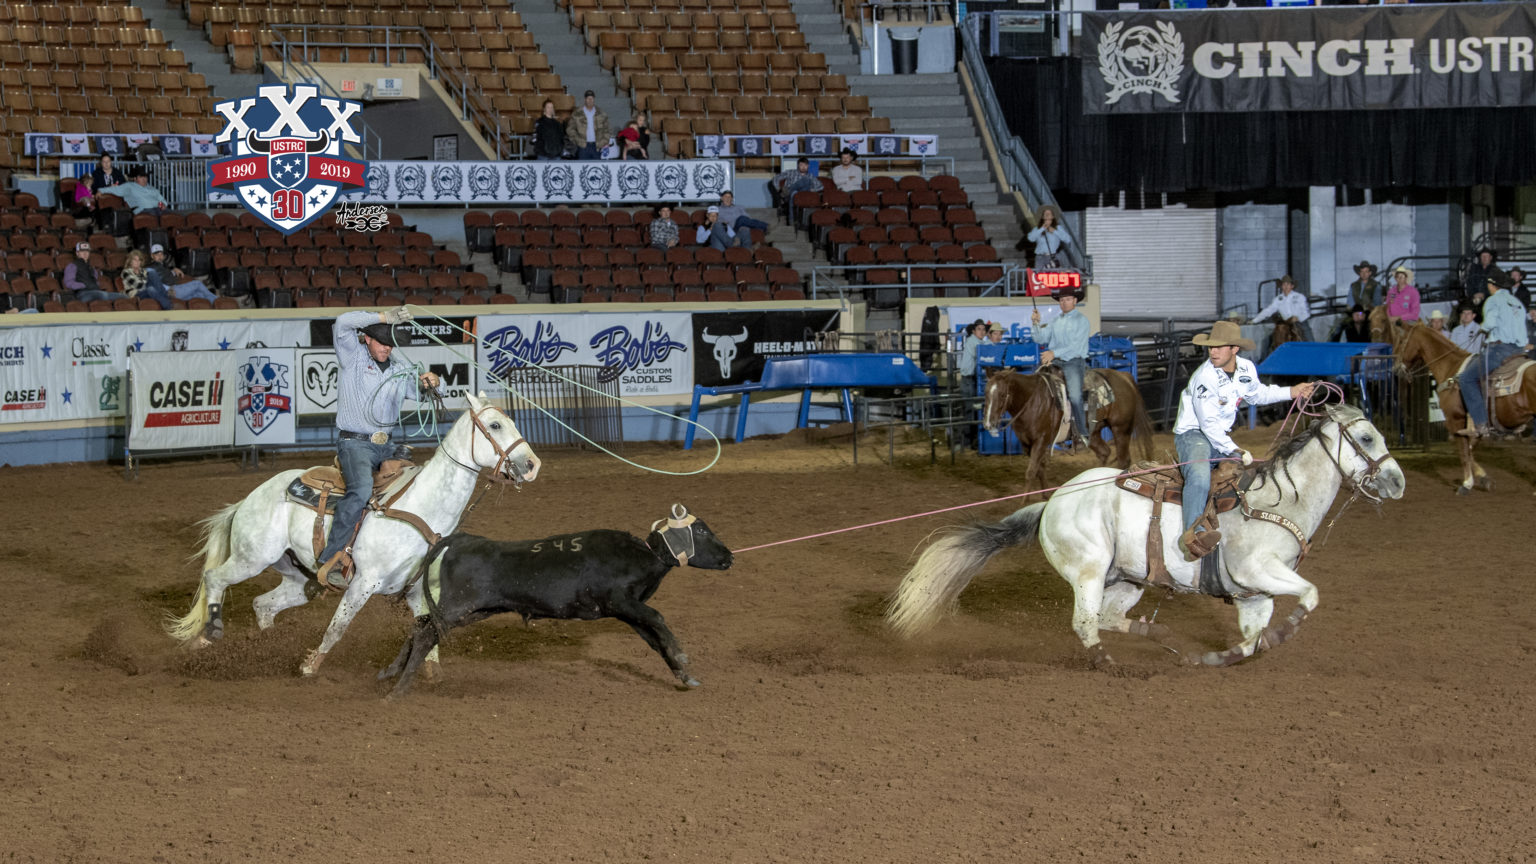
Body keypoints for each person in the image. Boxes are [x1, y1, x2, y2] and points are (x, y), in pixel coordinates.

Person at [316, 307, 443, 589]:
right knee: (360, 490)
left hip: (386, 446)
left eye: (390, 343)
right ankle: (332, 558)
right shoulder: (353, 357)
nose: (386, 347)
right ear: (368, 340)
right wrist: (385, 317)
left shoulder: (399, 370)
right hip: (354, 444)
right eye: (382, 341)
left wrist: (434, 383)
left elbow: (424, 392)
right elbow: (343, 321)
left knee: (416, 483)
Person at [1173, 320, 1316, 561]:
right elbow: (1208, 425)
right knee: (1198, 474)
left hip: (1220, 436)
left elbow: (1258, 394)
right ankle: (1193, 535)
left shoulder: (1246, 369)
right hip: (1193, 435)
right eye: (1211, 347)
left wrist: (1292, 391)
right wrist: (1234, 448)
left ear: (1234, 349)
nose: (1213, 352)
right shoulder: (1204, 377)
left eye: (1219, 347)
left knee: (1248, 482)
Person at [1456, 277, 1533, 438]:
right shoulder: (1517, 302)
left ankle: (1481, 424)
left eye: (1489, 285)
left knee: (1466, 379)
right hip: (1519, 351)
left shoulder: (1493, 300)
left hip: (1499, 350)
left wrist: (1482, 328)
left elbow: (1490, 323)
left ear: (1492, 286)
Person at [1032, 286, 1092, 449]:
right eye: (1061, 300)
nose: (1064, 303)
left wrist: (1053, 352)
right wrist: (1036, 323)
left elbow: (1075, 346)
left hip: (1073, 361)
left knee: (1074, 396)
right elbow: (1040, 338)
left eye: (1067, 299)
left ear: (1075, 301)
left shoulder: (1082, 321)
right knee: (1035, 386)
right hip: (1055, 361)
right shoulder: (1054, 321)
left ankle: (1082, 433)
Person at [147, 244, 218, 304]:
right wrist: (172, 272)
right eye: (157, 254)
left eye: (161, 254)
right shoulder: (153, 267)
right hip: (171, 291)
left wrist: (172, 269)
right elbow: (167, 279)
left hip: (172, 292)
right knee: (197, 283)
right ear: (152, 256)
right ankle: (217, 301)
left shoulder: (163, 265)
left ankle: (217, 308)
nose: (160, 256)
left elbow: (167, 273)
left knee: (199, 295)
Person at [1252, 274, 1312, 341]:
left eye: (1288, 284)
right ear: (1281, 286)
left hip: (1300, 323)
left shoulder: (1300, 297)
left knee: (1309, 339)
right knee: (1270, 340)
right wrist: (1254, 320)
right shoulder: (1278, 299)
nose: (1286, 287)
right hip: (1286, 324)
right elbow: (1268, 310)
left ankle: (1313, 348)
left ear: (1292, 286)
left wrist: (1298, 318)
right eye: (1284, 284)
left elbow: (1306, 312)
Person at [62, 242, 127, 303]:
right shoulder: (72, 266)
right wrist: (83, 285)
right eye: (82, 251)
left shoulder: (91, 268)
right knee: (101, 295)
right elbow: (68, 283)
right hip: (82, 294)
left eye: (87, 251)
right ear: (77, 253)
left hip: (95, 291)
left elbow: (95, 281)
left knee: (124, 297)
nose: (85, 253)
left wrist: (95, 285)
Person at [564, 90, 610, 160]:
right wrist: (578, 141)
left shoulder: (601, 114)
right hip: (583, 147)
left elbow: (607, 129)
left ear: (594, 99)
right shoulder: (577, 113)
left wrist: (603, 141)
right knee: (583, 169)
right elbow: (570, 129)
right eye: (588, 98)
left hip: (596, 146)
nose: (590, 100)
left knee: (596, 169)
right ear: (585, 99)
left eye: (591, 98)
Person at [97, 169, 169, 214]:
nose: (144, 179)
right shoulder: (129, 186)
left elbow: (162, 199)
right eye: (141, 177)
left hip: (158, 209)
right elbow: (114, 189)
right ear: (135, 178)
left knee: (174, 215)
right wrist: (100, 191)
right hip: (143, 210)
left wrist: (164, 204)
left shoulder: (152, 188)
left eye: (145, 177)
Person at [770, 157, 819, 224]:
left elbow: (820, 186)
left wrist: (812, 189)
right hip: (788, 195)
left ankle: (791, 221)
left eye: (805, 165)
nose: (803, 167)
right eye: (801, 165)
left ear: (808, 166)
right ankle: (789, 191)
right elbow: (776, 178)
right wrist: (778, 189)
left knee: (803, 184)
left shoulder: (810, 176)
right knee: (796, 191)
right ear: (798, 166)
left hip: (802, 195)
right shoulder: (791, 172)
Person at [1026, 205, 1069, 269]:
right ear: (1042, 217)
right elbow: (1030, 238)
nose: (1047, 215)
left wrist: (1054, 231)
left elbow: (1067, 239)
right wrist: (1042, 229)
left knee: (1052, 277)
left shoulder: (1058, 228)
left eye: (1049, 213)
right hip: (1040, 257)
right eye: (1045, 214)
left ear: (1053, 216)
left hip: (1052, 257)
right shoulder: (1037, 229)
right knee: (1039, 277)